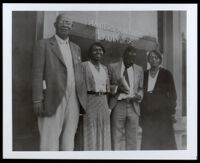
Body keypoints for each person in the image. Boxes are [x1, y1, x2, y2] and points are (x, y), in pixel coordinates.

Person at [32, 13, 82, 151]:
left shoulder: (76, 48)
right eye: (62, 22)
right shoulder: (43, 44)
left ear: (71, 27)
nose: (65, 25)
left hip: (73, 99)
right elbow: (37, 74)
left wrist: (81, 99)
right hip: (52, 97)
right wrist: (37, 99)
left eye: (68, 23)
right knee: (49, 139)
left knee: (69, 139)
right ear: (55, 25)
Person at [75, 42, 111, 151]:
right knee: (90, 127)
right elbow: (79, 86)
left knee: (103, 127)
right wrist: (81, 105)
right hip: (90, 100)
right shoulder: (84, 65)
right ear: (90, 53)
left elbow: (107, 86)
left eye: (100, 50)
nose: (98, 52)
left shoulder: (105, 68)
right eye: (95, 50)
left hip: (103, 100)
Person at [108, 46, 144, 150]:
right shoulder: (112, 67)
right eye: (129, 57)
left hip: (133, 106)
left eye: (133, 58)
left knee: (132, 138)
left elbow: (141, 88)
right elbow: (107, 86)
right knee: (116, 136)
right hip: (118, 104)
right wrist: (116, 89)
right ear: (123, 56)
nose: (131, 60)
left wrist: (139, 95)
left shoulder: (139, 69)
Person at [140, 50, 177, 150]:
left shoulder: (166, 74)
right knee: (148, 139)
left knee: (164, 139)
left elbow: (173, 94)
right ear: (148, 60)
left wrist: (172, 110)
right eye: (151, 57)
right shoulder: (144, 74)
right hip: (148, 112)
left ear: (160, 60)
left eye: (156, 57)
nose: (153, 59)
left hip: (162, 112)